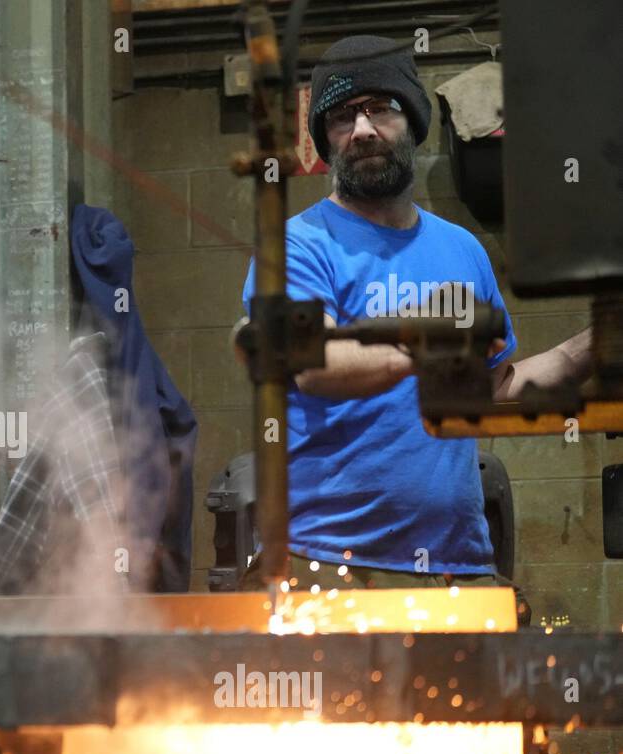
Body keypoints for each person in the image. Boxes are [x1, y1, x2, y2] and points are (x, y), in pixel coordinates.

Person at [237, 36, 592, 596]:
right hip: (325, 567)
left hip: (459, 565)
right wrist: (429, 339)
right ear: (326, 140)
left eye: (381, 108)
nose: (362, 129)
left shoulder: (462, 250)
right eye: (342, 117)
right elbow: (312, 363)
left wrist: (586, 349)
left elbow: (490, 390)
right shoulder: (296, 246)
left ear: (414, 119)